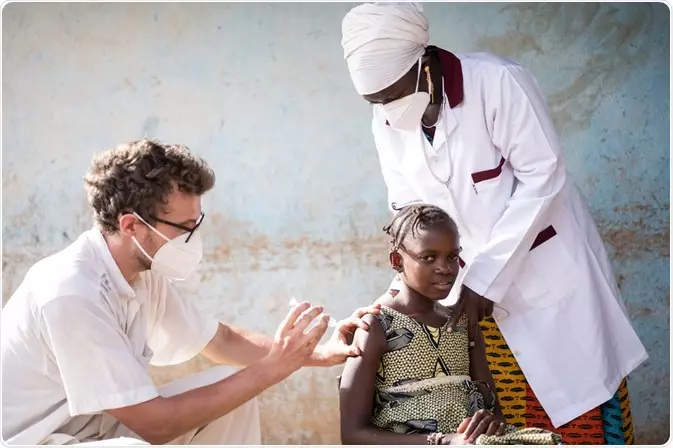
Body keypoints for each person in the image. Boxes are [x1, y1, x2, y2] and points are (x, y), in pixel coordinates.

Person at [340, 2, 647, 444]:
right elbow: (408, 216)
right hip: (465, 297)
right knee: (501, 419)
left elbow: (545, 174)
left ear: (423, 63)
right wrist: (391, 298)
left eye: (392, 93)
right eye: (376, 102)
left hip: (547, 283)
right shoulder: (385, 121)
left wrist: (485, 276)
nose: (387, 110)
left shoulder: (497, 82)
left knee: (586, 415)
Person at [1, 139, 380, 445]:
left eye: (196, 223)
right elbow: (155, 426)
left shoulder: (138, 272)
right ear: (132, 225)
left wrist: (317, 353)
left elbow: (222, 342)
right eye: (184, 227)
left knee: (227, 392)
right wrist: (272, 369)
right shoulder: (71, 293)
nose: (192, 238)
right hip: (39, 441)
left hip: (91, 433)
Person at [339, 203, 561, 445]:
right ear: (397, 260)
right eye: (428, 257)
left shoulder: (464, 325)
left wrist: (490, 421)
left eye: (452, 257)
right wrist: (442, 441)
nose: (444, 268)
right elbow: (352, 435)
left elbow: (494, 411)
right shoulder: (376, 326)